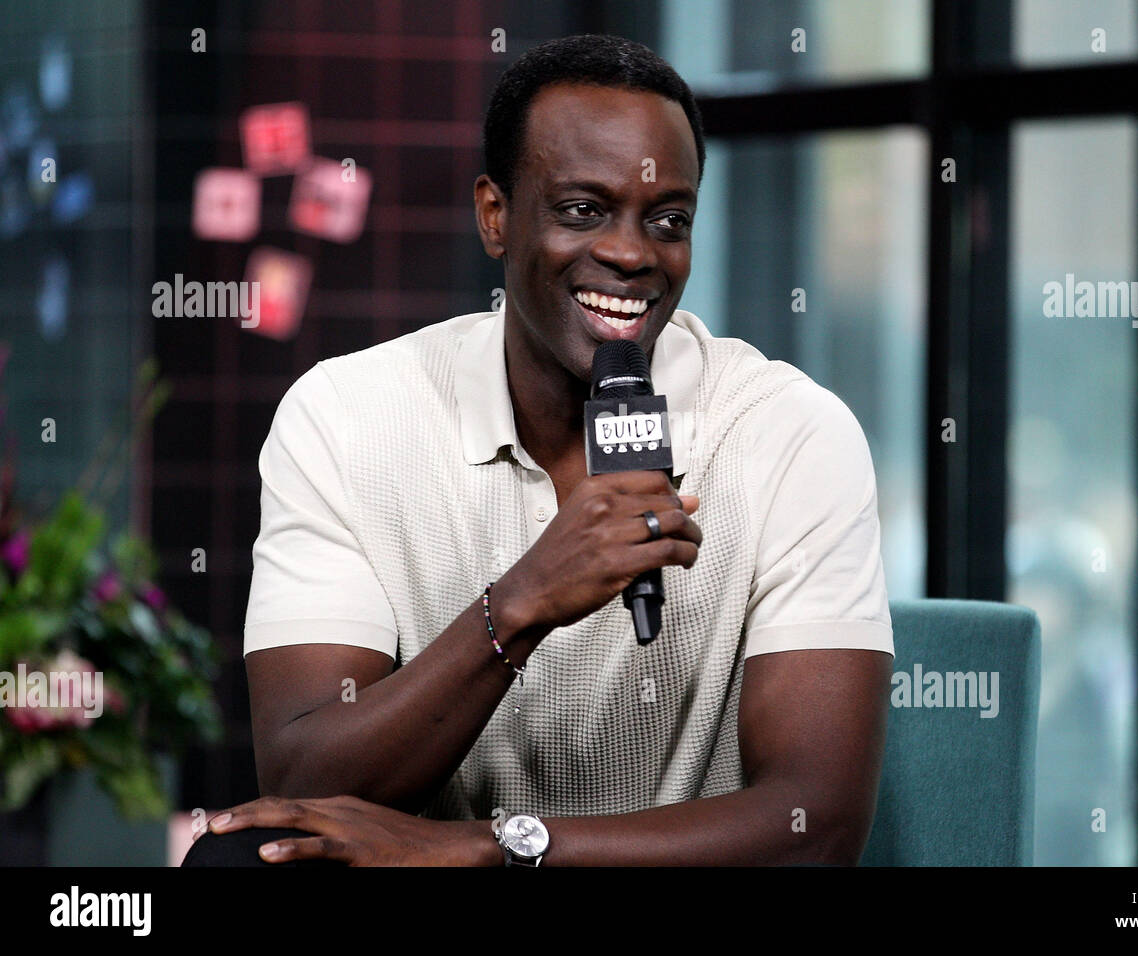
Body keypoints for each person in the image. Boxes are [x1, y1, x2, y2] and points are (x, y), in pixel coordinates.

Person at [184, 33, 893, 868]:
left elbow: (816, 827)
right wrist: (519, 604)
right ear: (495, 216)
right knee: (237, 859)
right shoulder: (346, 416)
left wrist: (498, 849)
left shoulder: (793, 433)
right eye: (583, 210)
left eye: (668, 220)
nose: (631, 254)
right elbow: (307, 781)